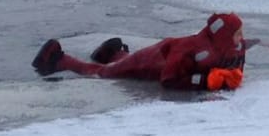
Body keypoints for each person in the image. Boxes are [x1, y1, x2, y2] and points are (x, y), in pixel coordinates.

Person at [33, 12, 247, 90]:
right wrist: (205, 82)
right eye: (237, 33)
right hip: (153, 60)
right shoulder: (190, 50)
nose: (241, 38)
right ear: (223, 36)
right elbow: (169, 80)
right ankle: (59, 59)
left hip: (160, 55)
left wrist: (228, 78)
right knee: (104, 72)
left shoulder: (234, 48)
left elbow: (233, 67)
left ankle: (114, 53)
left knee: (122, 65)